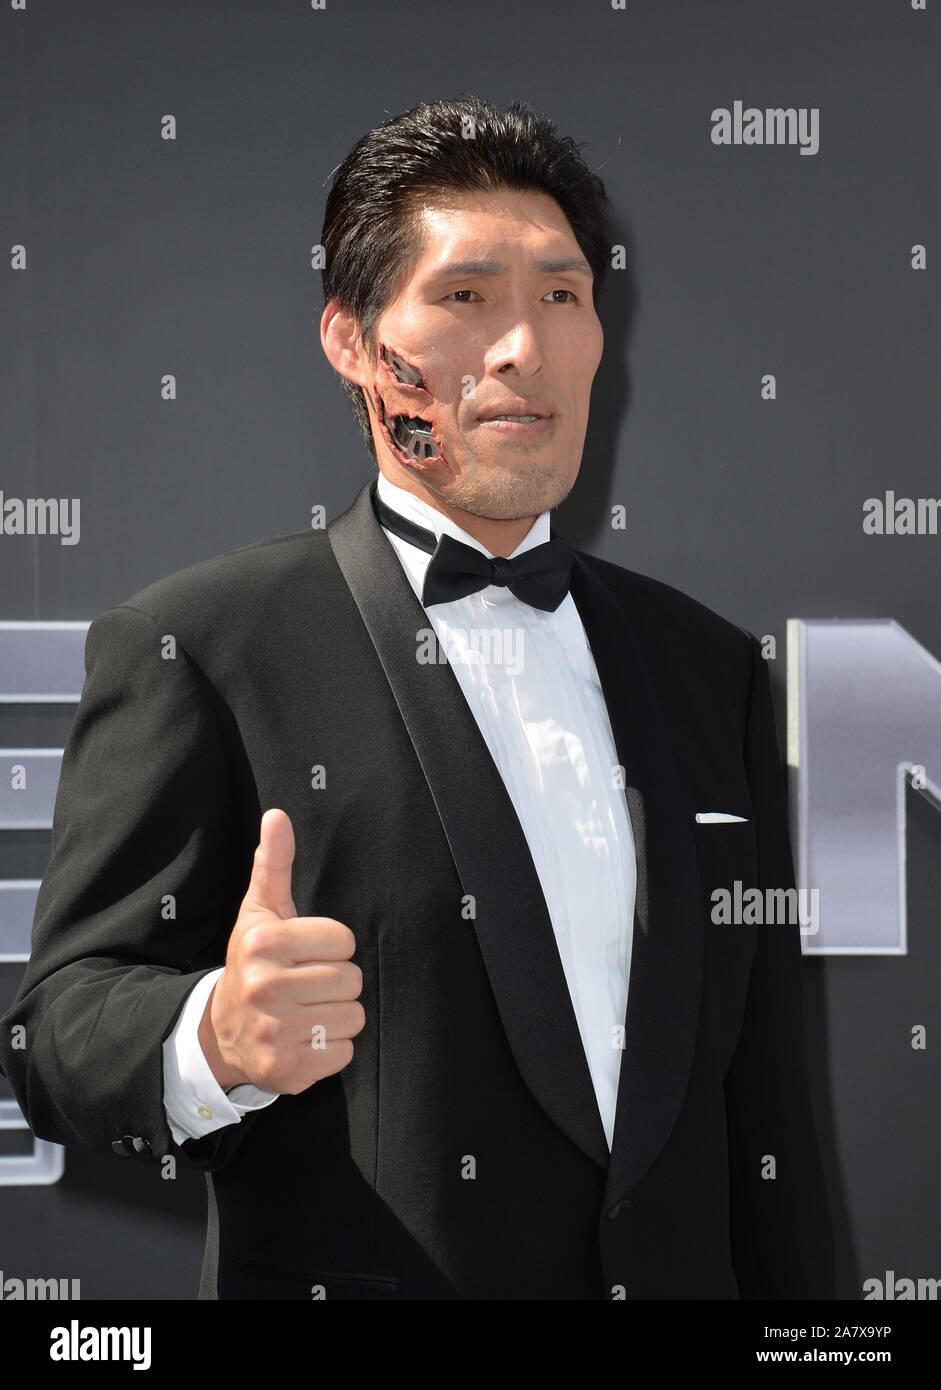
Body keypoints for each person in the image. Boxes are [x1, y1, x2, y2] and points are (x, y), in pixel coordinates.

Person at [0, 95, 836, 1300]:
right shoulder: (199, 646)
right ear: (351, 340)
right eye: (464, 297)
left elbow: (766, 1121)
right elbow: (57, 1030)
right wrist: (217, 1039)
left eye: (560, 295)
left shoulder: (707, 667)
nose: (523, 348)